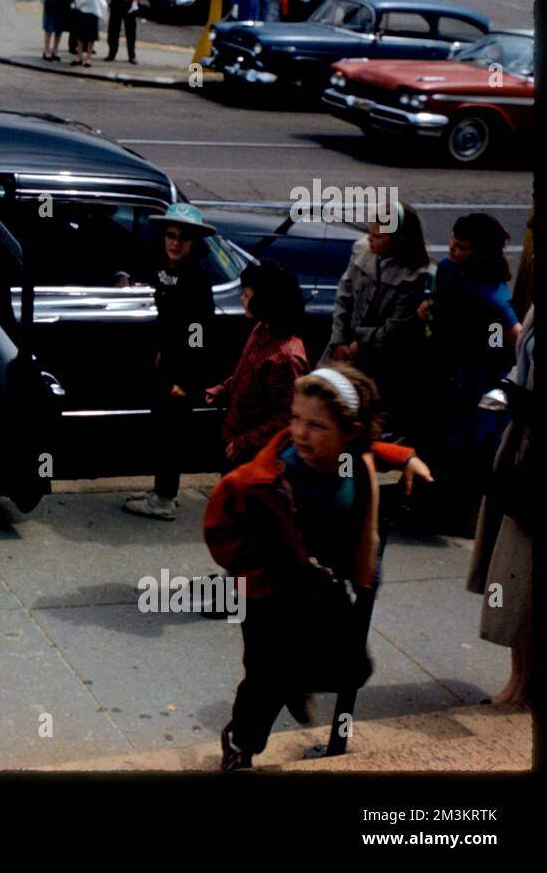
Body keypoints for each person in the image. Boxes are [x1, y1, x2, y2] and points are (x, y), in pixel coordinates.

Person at [205, 364, 434, 770]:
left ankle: (294, 679)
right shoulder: (265, 478)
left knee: (353, 666)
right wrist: (250, 567)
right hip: (268, 592)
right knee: (265, 678)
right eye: (296, 419)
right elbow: (220, 526)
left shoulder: (351, 458)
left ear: (349, 431)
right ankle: (241, 742)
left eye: (317, 426)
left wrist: (407, 459)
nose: (301, 434)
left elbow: (372, 451)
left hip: (321, 586)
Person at [418, 213, 522, 532]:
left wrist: (488, 347)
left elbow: (511, 335)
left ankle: (450, 516)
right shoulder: (449, 270)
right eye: (451, 240)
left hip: (473, 379)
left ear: (478, 252)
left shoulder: (490, 294)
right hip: (443, 368)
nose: (451, 248)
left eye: (461, 246)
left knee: (462, 449)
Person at [124, 203, 217, 521]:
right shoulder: (156, 266)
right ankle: (161, 489)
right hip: (158, 363)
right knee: (159, 430)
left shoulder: (197, 280)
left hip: (178, 368)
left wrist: (185, 378)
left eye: (184, 238)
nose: (176, 243)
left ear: (194, 243)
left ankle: (165, 498)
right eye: (171, 236)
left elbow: (199, 334)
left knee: (171, 434)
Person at [466, 306, 533, 706]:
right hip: (523, 440)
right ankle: (519, 677)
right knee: (511, 570)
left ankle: (524, 684)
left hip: (535, 445)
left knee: (522, 571)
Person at [322, 200, 431, 442]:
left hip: (378, 359)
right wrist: (339, 339)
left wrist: (359, 343)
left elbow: (396, 325)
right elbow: (344, 295)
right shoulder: (361, 251)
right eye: (369, 233)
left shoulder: (414, 274)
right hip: (342, 348)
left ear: (398, 240)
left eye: (378, 236)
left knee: (362, 420)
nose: (370, 240)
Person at [205, 261, 309, 469]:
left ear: (265, 301)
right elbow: (247, 374)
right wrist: (224, 389)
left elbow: (287, 417)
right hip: (234, 439)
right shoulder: (261, 329)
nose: (242, 299)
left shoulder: (286, 358)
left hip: (254, 454)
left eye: (247, 295)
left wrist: (244, 443)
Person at [71, 0, 108, 68]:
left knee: (91, 35)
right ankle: (80, 56)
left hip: (91, 8)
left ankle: (87, 58)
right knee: (81, 34)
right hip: (84, 7)